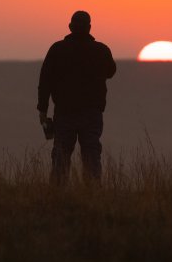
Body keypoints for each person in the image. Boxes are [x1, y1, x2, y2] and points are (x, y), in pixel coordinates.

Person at [37, 11, 116, 185]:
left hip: (65, 113)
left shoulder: (57, 49)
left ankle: (58, 197)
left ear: (70, 27)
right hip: (91, 113)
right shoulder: (101, 51)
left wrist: (42, 109)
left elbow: (45, 82)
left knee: (61, 157)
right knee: (91, 156)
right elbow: (111, 71)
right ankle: (92, 194)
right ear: (89, 28)